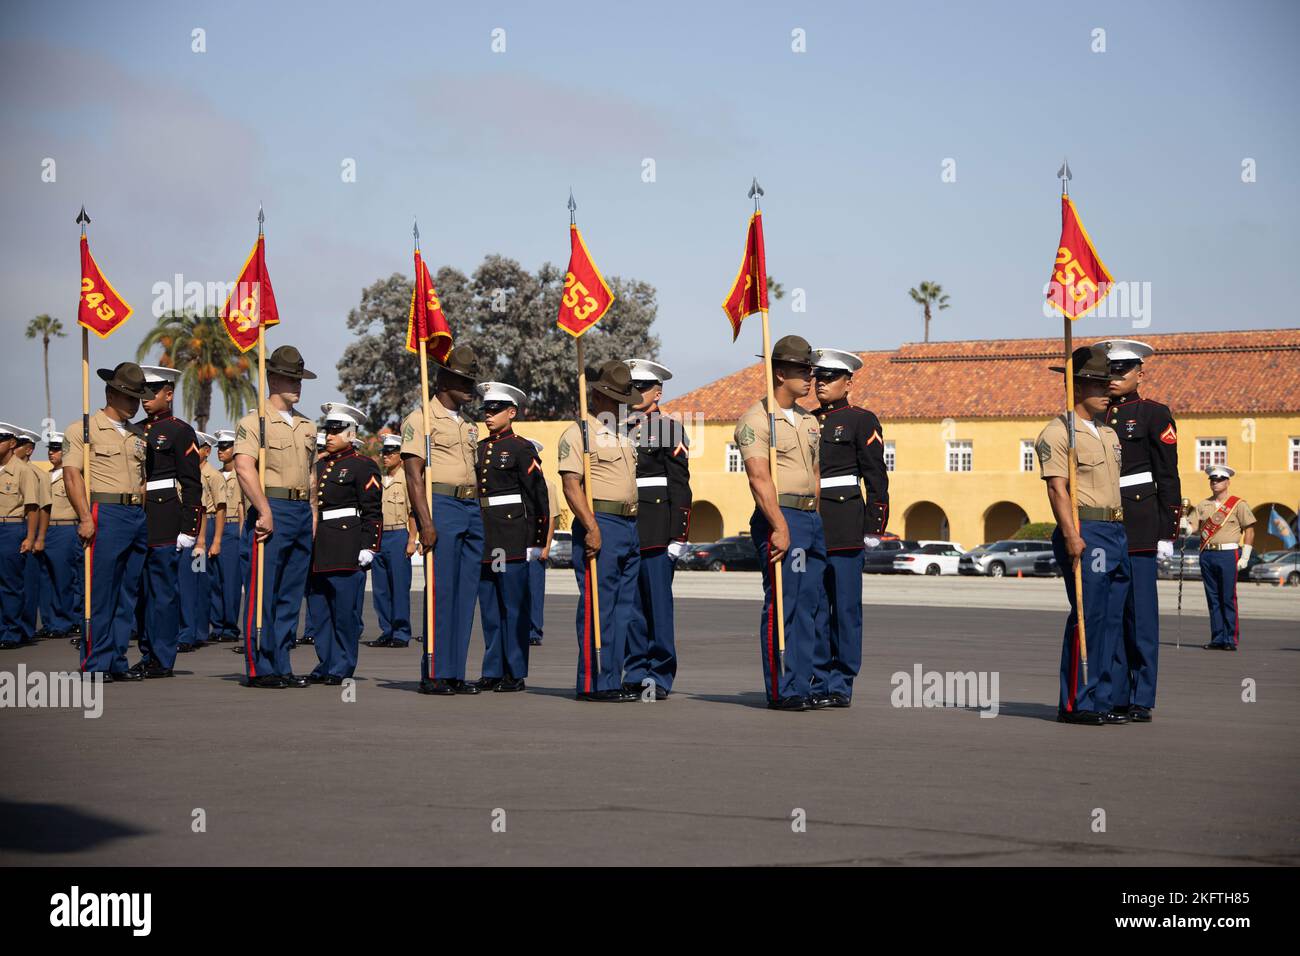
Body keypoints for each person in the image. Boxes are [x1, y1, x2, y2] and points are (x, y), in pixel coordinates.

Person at [1036, 346, 1130, 726]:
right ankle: (1077, 701)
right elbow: (1057, 490)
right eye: (1097, 384)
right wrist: (1072, 535)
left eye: (1108, 383)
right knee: (1088, 617)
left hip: (1116, 529)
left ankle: (1103, 696)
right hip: (1086, 529)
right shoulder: (1059, 433)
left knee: (1111, 618)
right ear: (1076, 387)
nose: (1108, 391)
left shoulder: (1107, 432)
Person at [734, 335, 827, 711]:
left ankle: (802, 683)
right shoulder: (756, 420)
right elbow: (759, 478)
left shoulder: (808, 421)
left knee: (809, 605)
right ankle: (782, 688)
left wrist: (815, 516)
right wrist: (780, 525)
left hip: (808, 517)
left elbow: (816, 472)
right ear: (780, 373)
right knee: (783, 604)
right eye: (804, 371)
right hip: (781, 516)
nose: (811, 378)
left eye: (812, 370)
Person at [1095, 339, 1181, 722]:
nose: (1113, 379)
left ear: (1140, 374)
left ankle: (1142, 696)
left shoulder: (1153, 414)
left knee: (1140, 616)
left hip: (1141, 524)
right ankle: (1115, 694)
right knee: (1111, 613)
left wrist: (1167, 529)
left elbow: (1167, 474)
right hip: (1104, 522)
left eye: (1121, 371)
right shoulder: (1093, 417)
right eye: (1108, 371)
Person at [401, 345, 484, 696]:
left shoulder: (468, 425)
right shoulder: (420, 419)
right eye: (463, 381)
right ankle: (433, 671)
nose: (470, 388)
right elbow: (413, 475)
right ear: (443, 380)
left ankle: (454, 671)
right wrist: (426, 522)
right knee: (441, 590)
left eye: (471, 381)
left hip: (470, 507)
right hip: (442, 506)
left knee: (465, 595)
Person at [234, 345, 318, 689]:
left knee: (289, 594)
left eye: (299, 378)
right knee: (263, 592)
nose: (296, 385)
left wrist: (312, 511)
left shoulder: (308, 425)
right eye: (288, 378)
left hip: (299, 510)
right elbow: (243, 466)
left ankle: (281, 663)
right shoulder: (254, 422)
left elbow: (311, 474)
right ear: (272, 377)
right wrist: (264, 509)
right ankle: (260, 666)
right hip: (272, 509)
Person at [557, 361, 642, 702]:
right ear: (598, 395)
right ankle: (593, 681)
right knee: (598, 605)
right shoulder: (579, 433)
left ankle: (612, 676)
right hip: (601, 522)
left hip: (629, 524)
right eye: (617, 398)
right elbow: (571, 485)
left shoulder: (623, 433)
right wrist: (590, 526)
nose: (624, 405)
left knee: (623, 608)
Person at [60, 363, 151, 679]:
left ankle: (116, 660)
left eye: (138, 398)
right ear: (111, 393)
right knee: (100, 593)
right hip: (105, 513)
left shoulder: (139, 433)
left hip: (135, 515)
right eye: (129, 397)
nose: (135, 404)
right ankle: (95, 663)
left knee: (127, 593)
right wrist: (85, 517)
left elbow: (143, 478)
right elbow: (72, 475)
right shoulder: (84, 429)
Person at [811, 347, 889, 708]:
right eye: (817, 377)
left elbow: (876, 475)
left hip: (845, 525)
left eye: (829, 378)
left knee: (844, 609)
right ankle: (817, 676)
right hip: (812, 523)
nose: (821, 383)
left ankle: (841, 683)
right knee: (814, 607)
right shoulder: (807, 421)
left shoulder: (861, 420)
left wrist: (874, 526)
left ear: (848, 382)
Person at [126, 366, 204, 679]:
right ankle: (147, 651)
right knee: (141, 591)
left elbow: (192, 482)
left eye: (153, 392)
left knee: (162, 592)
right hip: (136, 515)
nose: (146, 399)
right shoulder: (133, 430)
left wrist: (189, 528)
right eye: (142, 392)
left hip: (164, 515)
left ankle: (162, 656)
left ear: (169, 394)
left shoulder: (179, 430)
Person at [473, 382, 549, 692]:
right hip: (485, 535)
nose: (488, 415)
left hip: (511, 536)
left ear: (511, 412)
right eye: (486, 410)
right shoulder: (478, 448)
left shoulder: (521, 448)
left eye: (494, 410)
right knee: (490, 608)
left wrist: (535, 540)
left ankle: (514, 672)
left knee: (513, 608)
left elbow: (538, 496)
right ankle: (493, 669)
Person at [623, 359, 691, 700]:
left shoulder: (669, 429)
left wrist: (678, 534)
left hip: (657, 529)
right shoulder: (616, 430)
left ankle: (659, 674)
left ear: (658, 392)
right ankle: (634, 670)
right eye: (631, 387)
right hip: (626, 527)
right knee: (631, 608)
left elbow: (680, 485)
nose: (635, 394)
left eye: (642, 388)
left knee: (657, 607)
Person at [305, 404, 381, 685]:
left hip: (347, 545)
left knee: (345, 613)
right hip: (319, 546)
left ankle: (342, 665)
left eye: (336, 430)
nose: (330, 435)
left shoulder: (363, 465)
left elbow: (372, 510)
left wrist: (369, 546)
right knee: (320, 611)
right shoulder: (318, 466)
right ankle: (325, 662)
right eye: (328, 429)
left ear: (351, 433)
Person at [1192, 465, 1254, 651]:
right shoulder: (1203, 505)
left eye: (1219, 480)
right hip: (1207, 553)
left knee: (1227, 597)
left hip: (1228, 553)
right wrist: (1182, 524)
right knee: (1212, 598)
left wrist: (1245, 556)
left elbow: (1249, 530)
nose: (1215, 483)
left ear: (1227, 482)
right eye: (1212, 480)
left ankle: (1230, 638)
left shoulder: (1238, 504)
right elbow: (1193, 526)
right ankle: (1217, 637)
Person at [365, 434, 416, 648]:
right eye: (384, 452)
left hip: (398, 534)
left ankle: (401, 633)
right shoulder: (379, 478)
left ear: (401, 456)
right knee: (381, 589)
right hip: (380, 536)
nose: (386, 456)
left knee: (399, 587)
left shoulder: (407, 479)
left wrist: (412, 539)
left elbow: (413, 511)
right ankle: (387, 630)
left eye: (391, 453)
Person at [177, 432, 225, 652]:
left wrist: (207, 541)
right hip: (182, 532)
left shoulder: (211, 476)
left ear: (206, 450)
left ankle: (196, 632)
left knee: (199, 583)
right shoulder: (182, 473)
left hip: (200, 535)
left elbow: (209, 510)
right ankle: (190, 631)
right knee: (185, 584)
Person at [39, 432, 84, 643]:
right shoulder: (46, 476)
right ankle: (49, 622)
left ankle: (63, 622)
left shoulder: (75, 477)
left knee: (63, 579)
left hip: (66, 528)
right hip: (46, 529)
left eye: (56, 449)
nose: (52, 453)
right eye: (50, 449)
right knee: (46, 578)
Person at [0, 422, 40, 649]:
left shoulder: (23, 471)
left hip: (11, 528)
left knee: (10, 584)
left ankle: (12, 632)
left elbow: (32, 507)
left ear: (11, 443)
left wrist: (30, 537)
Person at [12, 429, 48, 643]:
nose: (14, 448)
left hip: (26, 527)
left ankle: (25, 628)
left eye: (19, 445)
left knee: (27, 582)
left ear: (29, 449)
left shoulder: (36, 474)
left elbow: (42, 508)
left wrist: (38, 537)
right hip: (10, 527)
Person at [297, 430, 331, 650]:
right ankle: (310, 629)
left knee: (319, 585)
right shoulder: (307, 470)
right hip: (306, 528)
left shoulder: (327, 470)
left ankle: (314, 629)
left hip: (324, 530)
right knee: (307, 585)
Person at [209, 429, 243, 644]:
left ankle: (230, 626)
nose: (220, 451)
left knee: (230, 580)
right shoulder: (213, 474)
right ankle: (217, 624)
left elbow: (242, 506)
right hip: (213, 525)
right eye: (219, 448)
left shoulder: (243, 475)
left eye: (225, 447)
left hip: (233, 527)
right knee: (213, 580)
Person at [525, 439, 559, 647]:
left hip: (536, 545)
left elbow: (552, 516)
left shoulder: (547, 485)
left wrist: (546, 546)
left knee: (535, 590)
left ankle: (534, 630)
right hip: (516, 544)